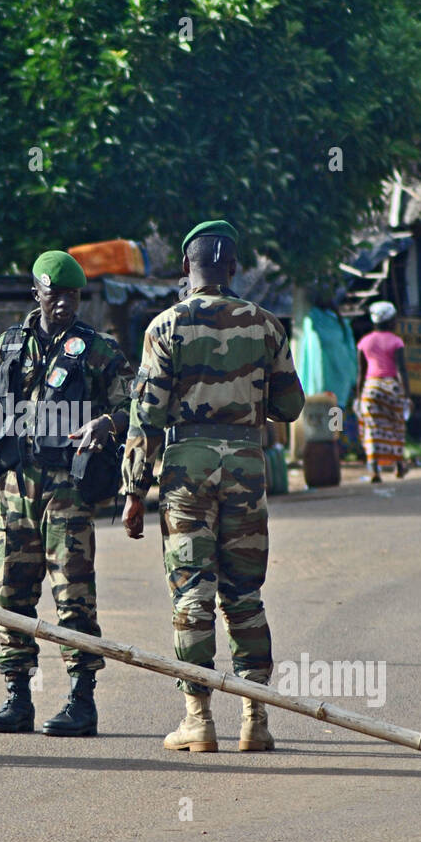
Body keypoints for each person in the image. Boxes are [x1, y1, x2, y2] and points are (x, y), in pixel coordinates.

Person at [121, 220, 304, 752]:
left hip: (187, 465)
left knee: (192, 590)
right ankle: (256, 720)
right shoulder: (267, 325)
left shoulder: (165, 326)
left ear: (185, 267)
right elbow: (290, 407)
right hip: (247, 461)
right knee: (245, 592)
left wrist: (134, 492)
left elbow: (147, 415)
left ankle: (198, 720)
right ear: (234, 268)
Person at [0, 250, 133, 737]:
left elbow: (135, 403)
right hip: (15, 487)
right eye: (56, 295)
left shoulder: (97, 350)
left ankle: (81, 699)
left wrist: (107, 422)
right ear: (37, 293)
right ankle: (18, 695)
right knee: (11, 591)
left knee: (73, 593)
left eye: (74, 296)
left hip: (68, 489)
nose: (64, 304)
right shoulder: (9, 346)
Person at [354, 300, 410, 483]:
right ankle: (399, 465)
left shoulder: (364, 342)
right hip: (391, 386)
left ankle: (374, 469)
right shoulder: (396, 341)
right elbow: (401, 370)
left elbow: (361, 374)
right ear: (392, 321)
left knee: (372, 428)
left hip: (371, 388)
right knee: (396, 426)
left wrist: (358, 397)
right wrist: (407, 395)